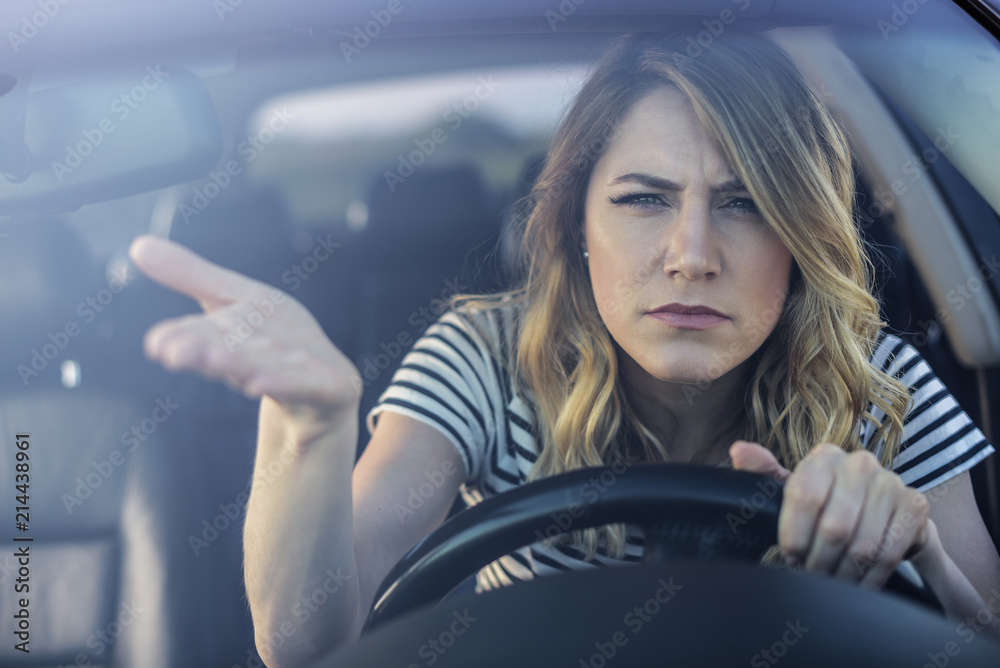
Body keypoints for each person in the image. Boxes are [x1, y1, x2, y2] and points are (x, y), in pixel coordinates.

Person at [129, 30, 1000, 667]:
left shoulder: (877, 381)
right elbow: (308, 644)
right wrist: (309, 427)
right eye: (643, 199)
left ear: (800, 236)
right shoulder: (483, 356)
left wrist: (916, 558)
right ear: (577, 227)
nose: (692, 255)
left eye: (745, 204)